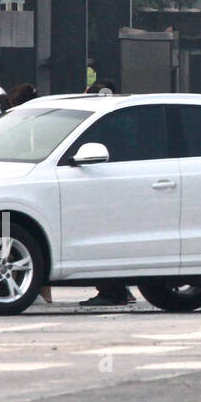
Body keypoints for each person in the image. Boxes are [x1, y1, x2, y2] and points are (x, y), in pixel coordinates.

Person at [80, 78, 135, 308]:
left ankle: (113, 291)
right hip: (122, 188)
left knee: (102, 239)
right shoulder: (125, 118)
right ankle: (119, 289)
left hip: (106, 191)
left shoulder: (102, 122)